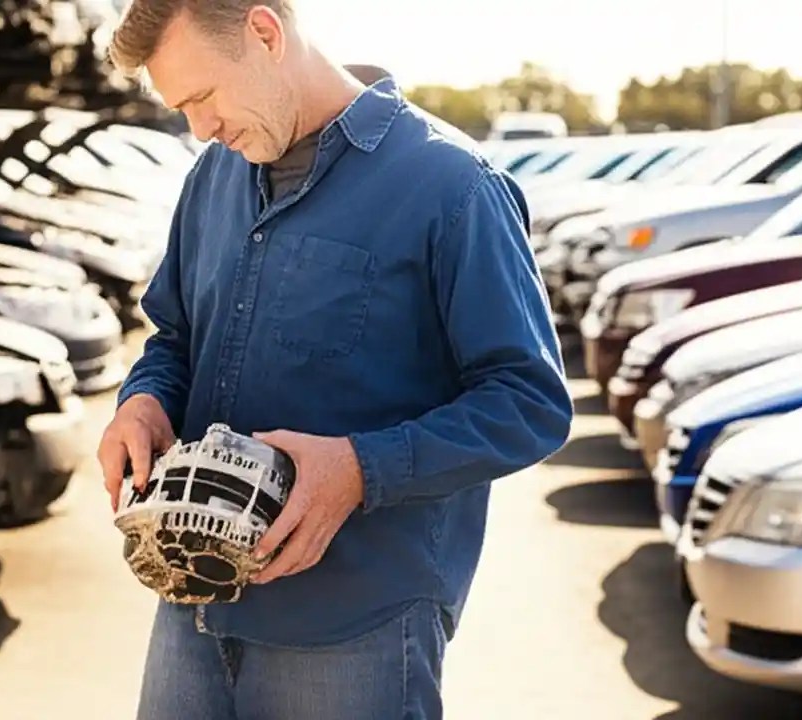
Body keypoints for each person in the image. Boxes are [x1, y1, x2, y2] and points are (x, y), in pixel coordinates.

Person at [97, 2, 573, 718]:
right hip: (193, 610)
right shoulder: (212, 180)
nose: (200, 129)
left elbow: (529, 403)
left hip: (357, 631)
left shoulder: (453, 187)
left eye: (202, 98)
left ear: (264, 32)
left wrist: (358, 470)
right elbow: (174, 339)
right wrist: (144, 398)